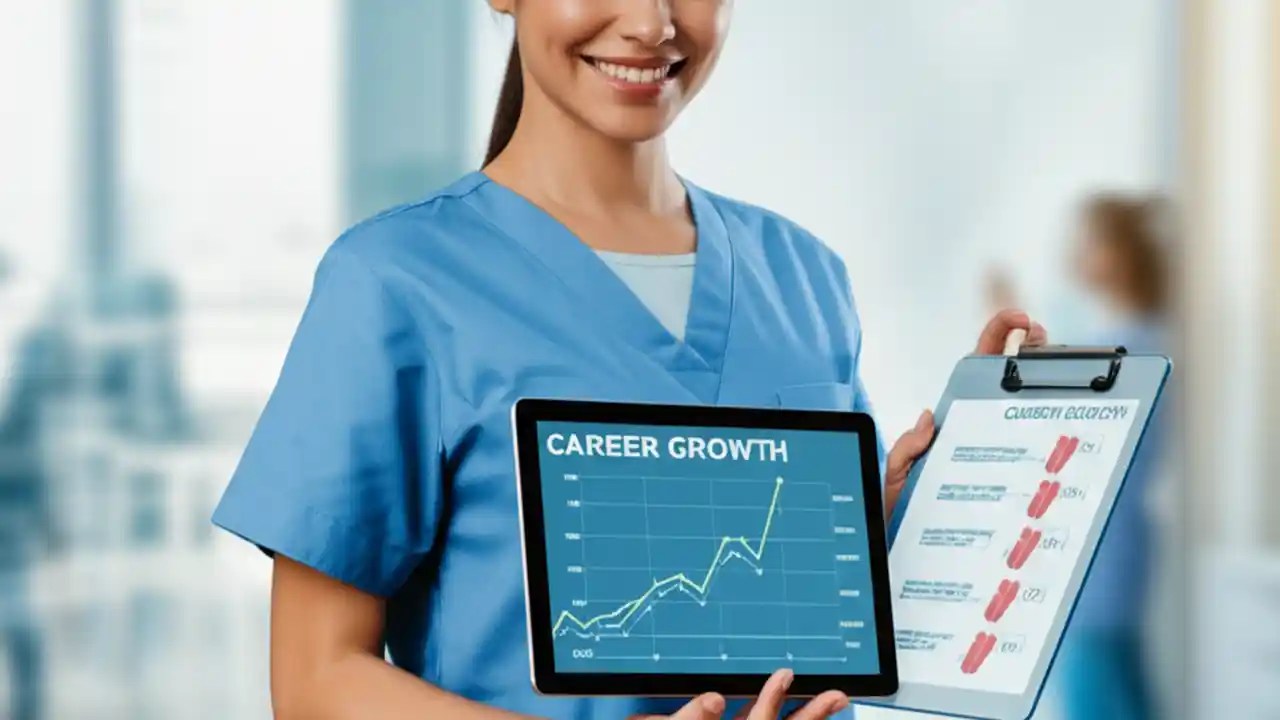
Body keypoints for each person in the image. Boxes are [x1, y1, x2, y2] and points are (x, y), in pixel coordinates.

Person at [212, 2, 1045, 718]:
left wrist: (932, 504)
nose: (651, 24)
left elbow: (817, 616)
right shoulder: (397, 283)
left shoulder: (804, 276)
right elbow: (316, 681)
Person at [1050, 194, 1171, 720]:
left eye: (1089, 242)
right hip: (1107, 545)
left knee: (1096, 687)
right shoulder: (1124, 338)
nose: (1074, 254)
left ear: (1120, 254)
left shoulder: (1134, 346)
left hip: (1100, 547)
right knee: (1114, 684)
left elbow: (1071, 434)